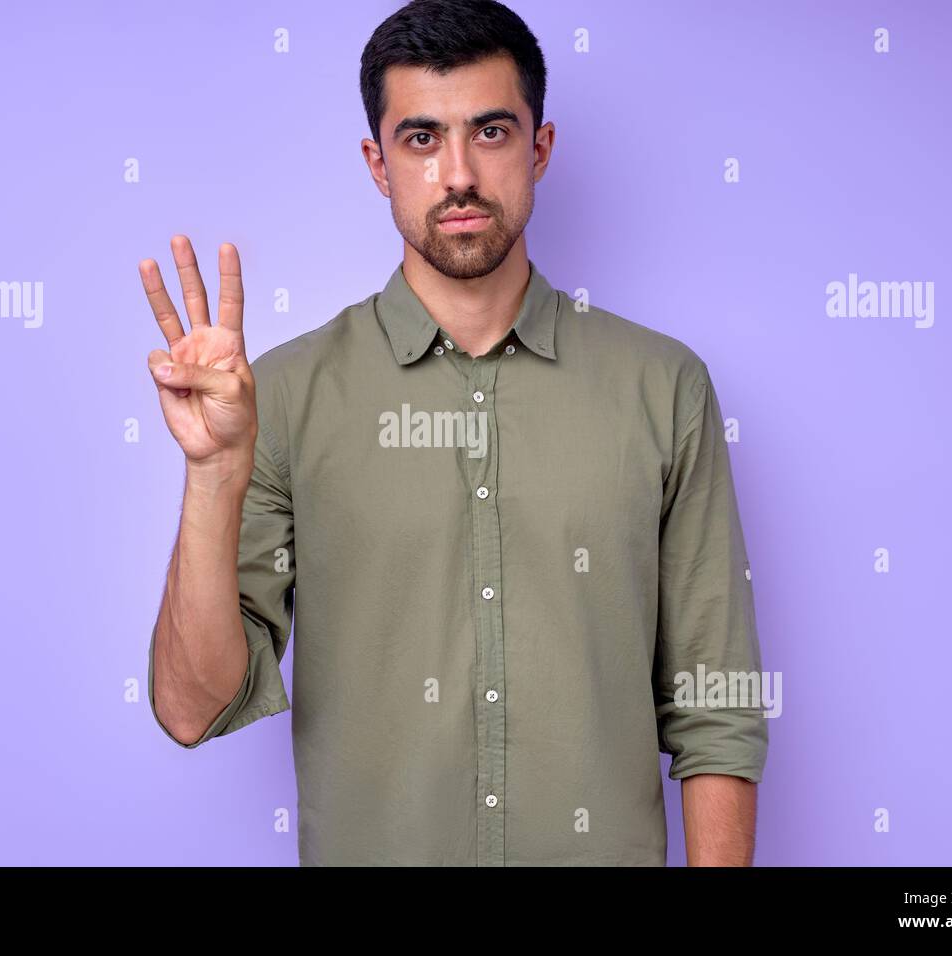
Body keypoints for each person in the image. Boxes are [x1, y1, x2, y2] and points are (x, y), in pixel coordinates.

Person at [141, 0, 768, 866]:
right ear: (378, 162)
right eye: (423, 139)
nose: (460, 173)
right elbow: (191, 707)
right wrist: (213, 473)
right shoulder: (281, 397)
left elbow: (718, 711)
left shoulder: (664, 388)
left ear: (540, 149)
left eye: (493, 131)